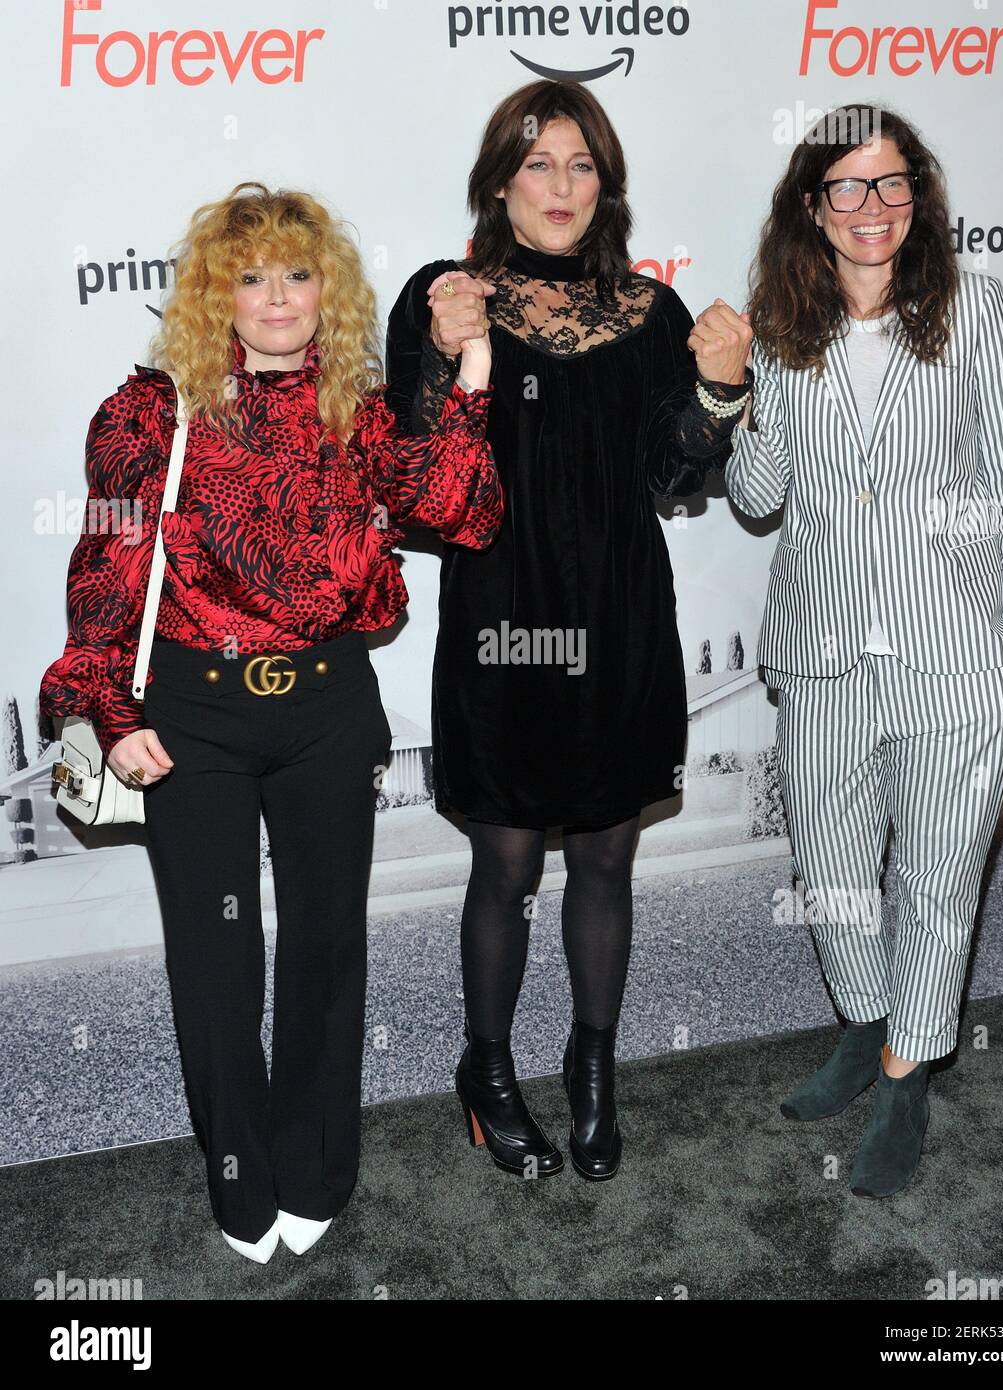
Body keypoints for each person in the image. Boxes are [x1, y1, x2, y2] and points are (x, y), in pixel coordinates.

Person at [39, 182, 502, 1259]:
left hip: (329, 706)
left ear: (327, 290)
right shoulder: (150, 413)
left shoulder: (361, 410)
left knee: (327, 947)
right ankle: (239, 1172)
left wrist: (473, 369)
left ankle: (318, 1162)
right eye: (251, 277)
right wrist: (108, 708)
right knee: (216, 959)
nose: (279, 296)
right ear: (217, 296)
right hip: (189, 714)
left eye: (298, 274)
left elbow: (461, 512)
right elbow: (105, 566)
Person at [385, 80, 750, 1181]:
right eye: (538, 162)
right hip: (501, 622)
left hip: (620, 617)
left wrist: (719, 392)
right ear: (500, 182)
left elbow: (675, 473)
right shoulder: (446, 297)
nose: (560, 185)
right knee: (504, 862)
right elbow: (411, 476)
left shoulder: (652, 312)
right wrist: (442, 354)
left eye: (582, 164)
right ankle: (486, 1072)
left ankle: (594, 1069)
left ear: (607, 185)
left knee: (604, 856)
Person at [724, 107, 1003, 1198]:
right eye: (849, 187)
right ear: (811, 204)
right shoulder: (781, 326)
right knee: (829, 868)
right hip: (823, 652)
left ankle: (909, 1067)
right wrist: (733, 393)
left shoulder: (971, 309)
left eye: (892, 183)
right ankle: (865, 1024)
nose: (873, 207)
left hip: (960, 652)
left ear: (919, 194)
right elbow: (758, 497)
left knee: (936, 874)